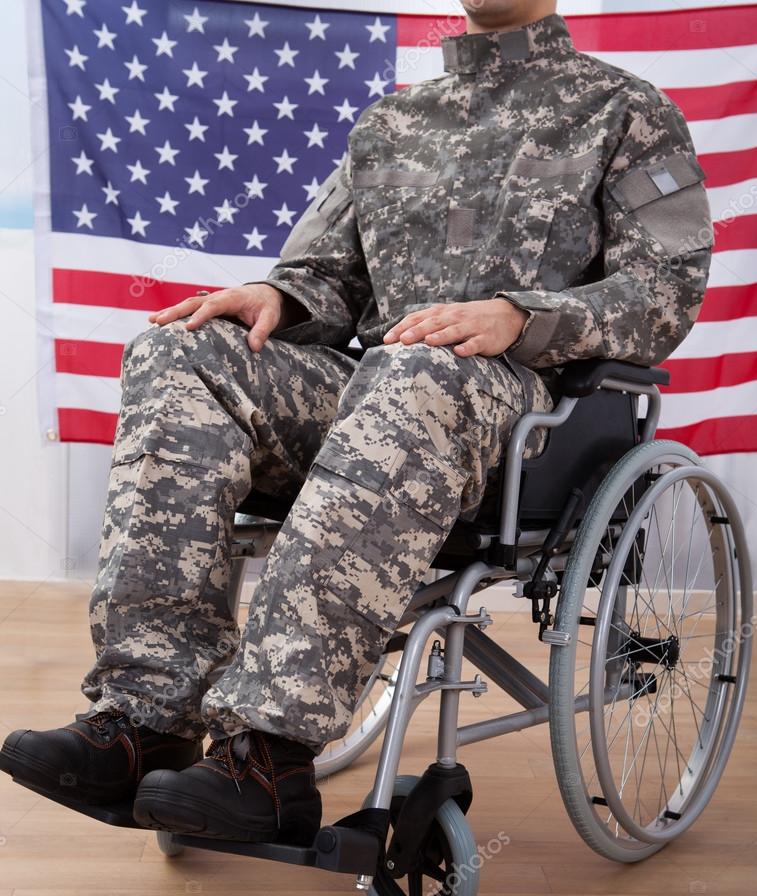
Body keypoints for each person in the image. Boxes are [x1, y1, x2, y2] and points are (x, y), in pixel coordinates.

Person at [0, 0, 713, 845]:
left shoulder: (624, 110)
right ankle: (148, 714)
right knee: (180, 351)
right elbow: (326, 278)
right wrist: (277, 296)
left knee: (416, 370)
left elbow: (664, 291)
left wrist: (521, 316)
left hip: (525, 410)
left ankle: (268, 755)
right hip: (377, 389)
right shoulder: (391, 124)